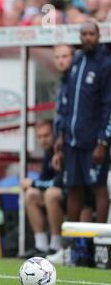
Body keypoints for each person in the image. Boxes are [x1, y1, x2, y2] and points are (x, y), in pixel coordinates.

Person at [54, 22, 111, 225]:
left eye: (91, 34)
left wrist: (103, 142)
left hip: (93, 142)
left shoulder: (105, 64)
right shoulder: (77, 61)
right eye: (84, 34)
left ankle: (102, 244)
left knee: (98, 187)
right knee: (73, 188)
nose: (87, 37)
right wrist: (61, 136)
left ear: (98, 35)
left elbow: (108, 106)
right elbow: (67, 102)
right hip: (71, 141)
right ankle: (72, 244)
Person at [21, 119, 65, 258]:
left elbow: (59, 182)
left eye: (46, 136)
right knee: (31, 195)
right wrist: (34, 186)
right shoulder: (48, 153)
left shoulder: (63, 150)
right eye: (39, 137)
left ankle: (56, 246)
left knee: (50, 194)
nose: (43, 140)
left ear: (55, 134)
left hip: (74, 195)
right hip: (57, 193)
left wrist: (33, 183)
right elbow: (44, 180)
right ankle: (41, 245)